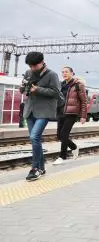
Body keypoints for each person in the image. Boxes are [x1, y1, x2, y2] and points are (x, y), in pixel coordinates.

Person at [20, 52, 60, 181]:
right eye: (30, 66)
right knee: (34, 140)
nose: (32, 68)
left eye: (34, 66)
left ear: (42, 62)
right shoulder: (28, 73)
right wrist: (23, 87)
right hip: (30, 110)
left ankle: (35, 169)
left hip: (44, 112)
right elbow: (24, 91)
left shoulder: (52, 75)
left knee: (34, 137)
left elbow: (55, 93)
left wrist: (38, 90)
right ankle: (41, 168)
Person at [53, 67, 87, 165]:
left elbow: (84, 101)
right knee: (59, 136)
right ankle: (74, 147)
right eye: (63, 72)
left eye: (66, 72)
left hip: (71, 113)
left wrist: (83, 116)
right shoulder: (61, 85)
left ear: (72, 73)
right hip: (61, 112)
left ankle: (62, 157)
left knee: (64, 134)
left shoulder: (78, 85)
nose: (64, 73)